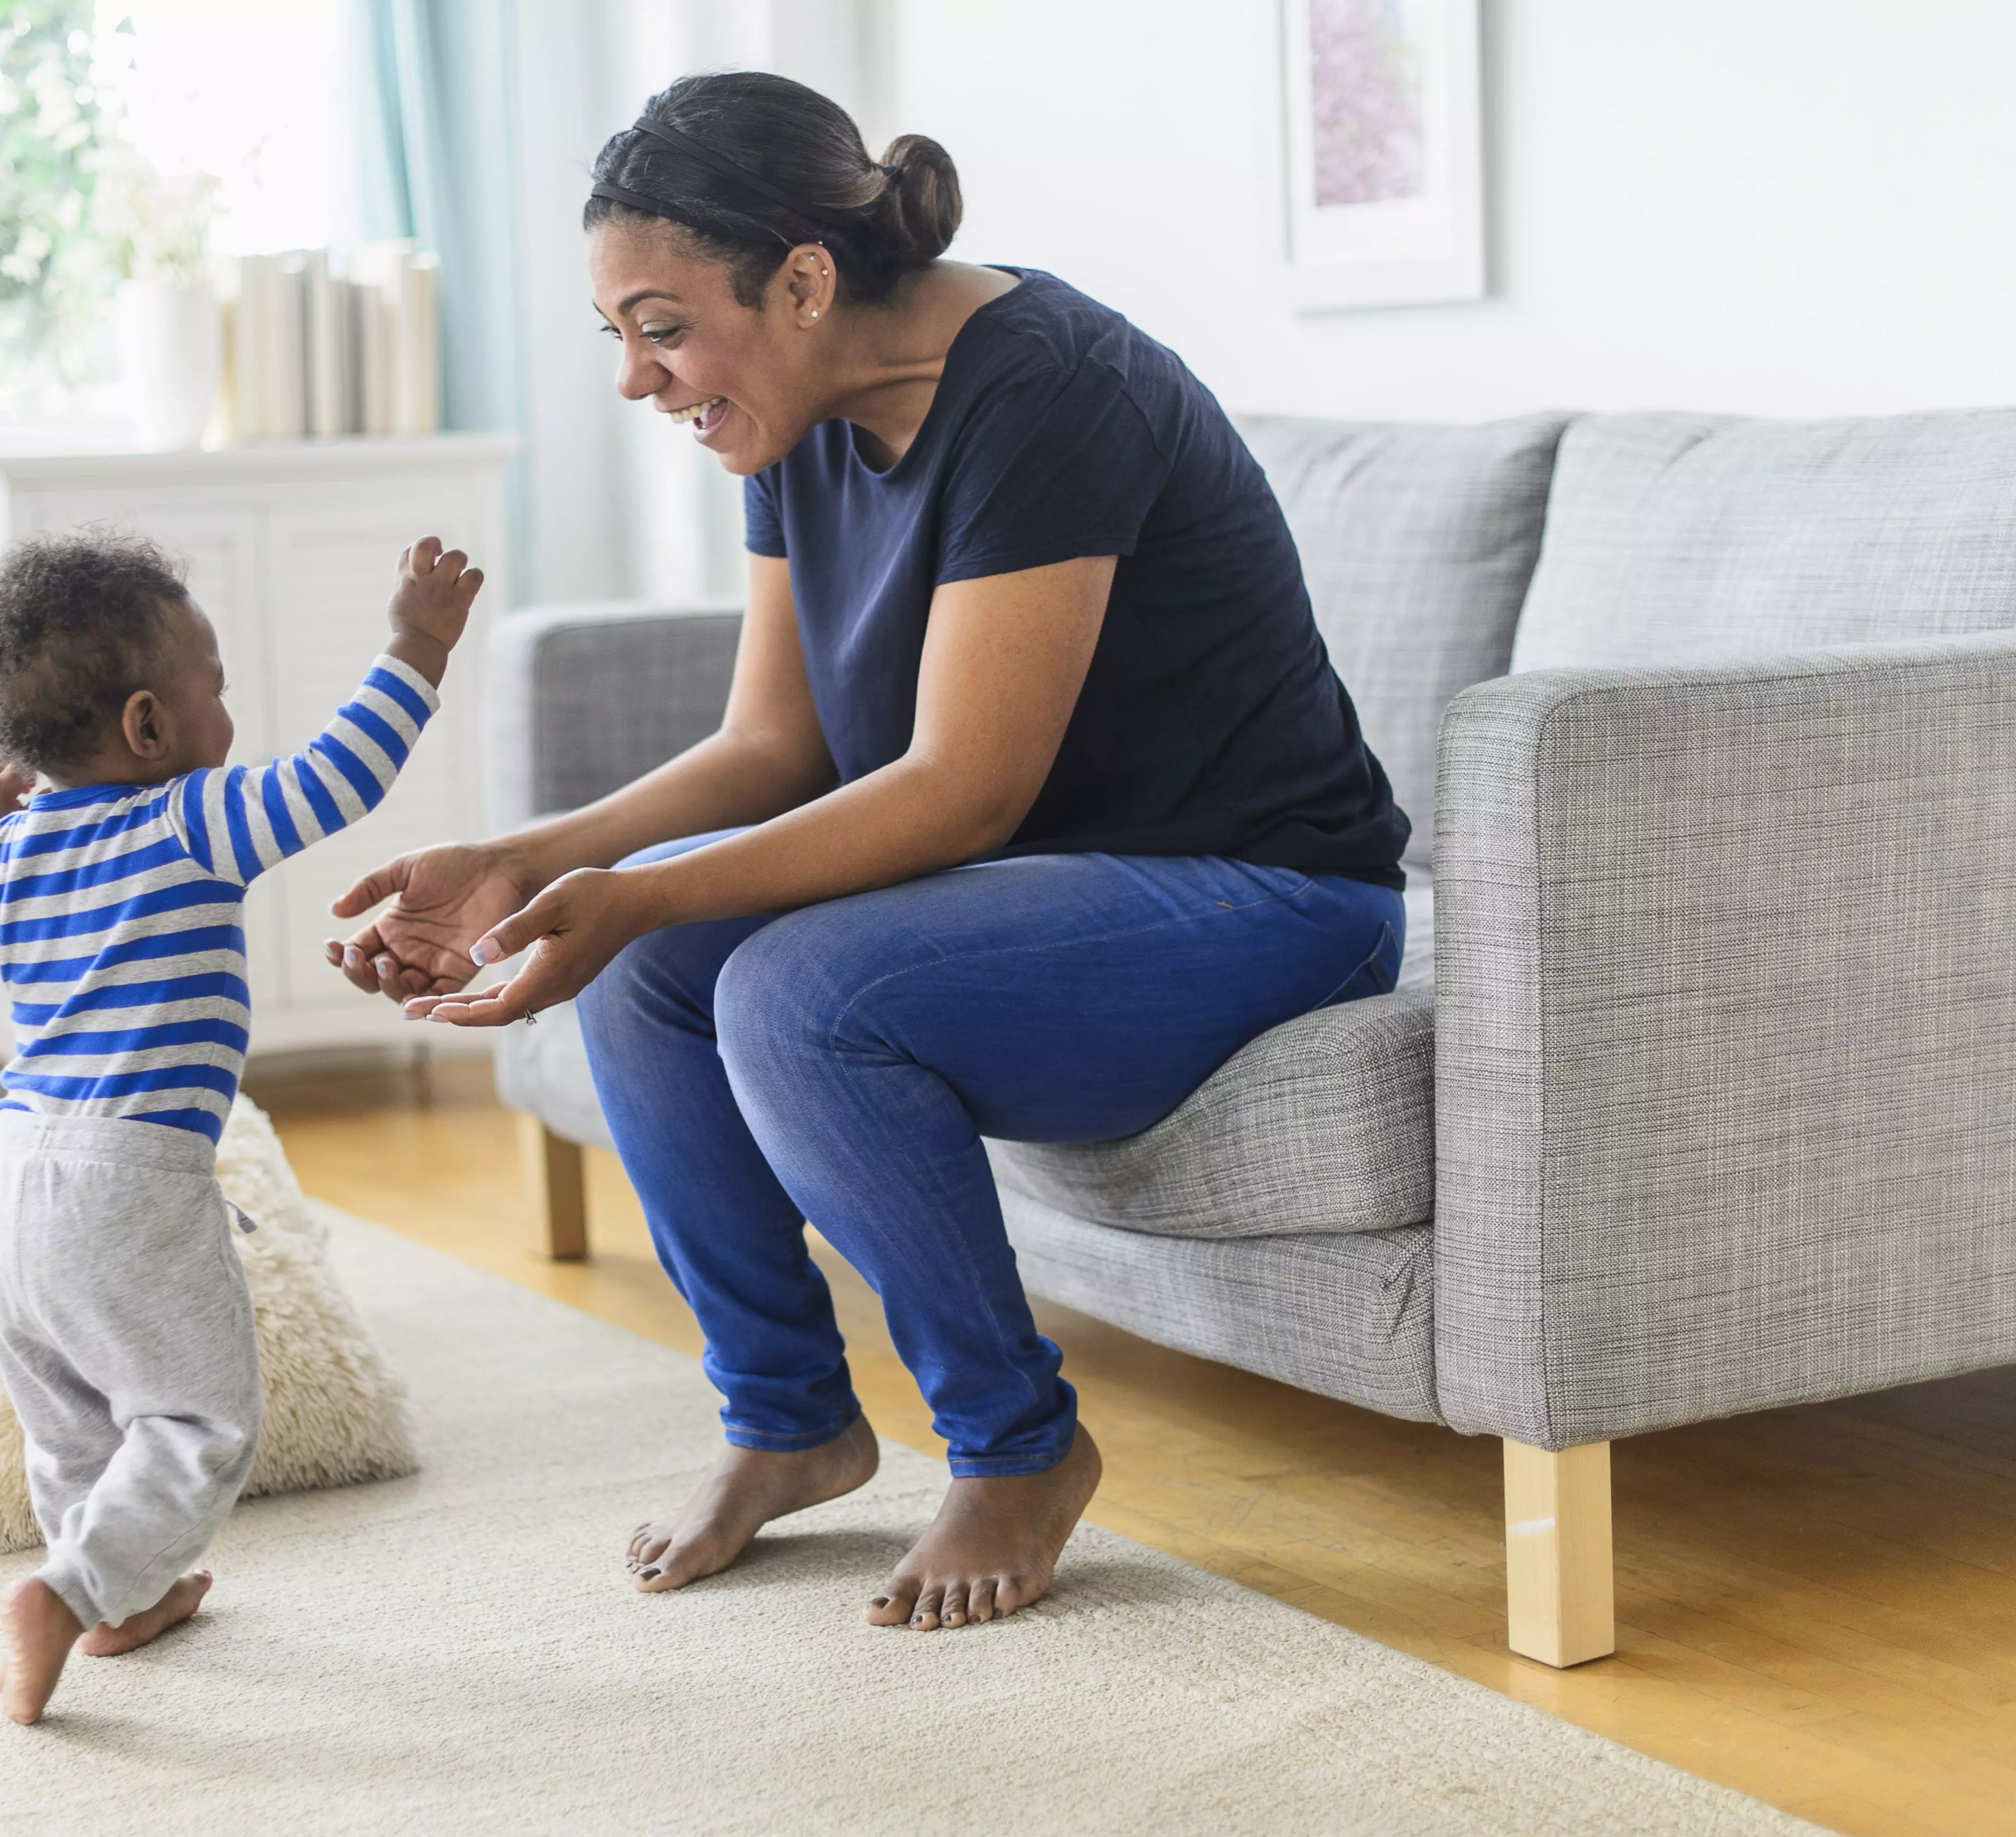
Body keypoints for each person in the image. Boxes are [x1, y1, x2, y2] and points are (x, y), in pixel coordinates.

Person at [324, 72, 1408, 1633]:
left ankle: (1018, 1447)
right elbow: (776, 746)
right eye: (615, 334)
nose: (637, 376)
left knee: (794, 992)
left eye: (661, 324)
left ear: (805, 279)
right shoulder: (795, 412)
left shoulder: (1050, 386)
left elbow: (961, 787)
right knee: (645, 979)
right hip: (1040, 901)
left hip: (1266, 897)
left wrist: (632, 893)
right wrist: (520, 861)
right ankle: (787, 1421)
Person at [0, 530, 483, 1721]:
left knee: (71, 1422)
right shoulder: (190, 819)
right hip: (131, 1174)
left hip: (7, 1187)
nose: (229, 714)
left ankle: (114, 1592)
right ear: (150, 728)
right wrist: (414, 645)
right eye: (218, 689)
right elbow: (340, 774)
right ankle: (72, 1586)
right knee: (199, 1419)